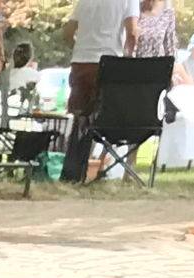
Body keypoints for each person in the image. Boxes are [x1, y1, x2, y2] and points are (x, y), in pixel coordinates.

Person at [63, 0, 134, 179]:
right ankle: (95, 168)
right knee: (101, 117)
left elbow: (67, 32)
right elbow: (132, 31)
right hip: (108, 62)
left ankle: (73, 170)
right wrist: (129, 57)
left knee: (80, 117)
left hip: (81, 61)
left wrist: (79, 48)